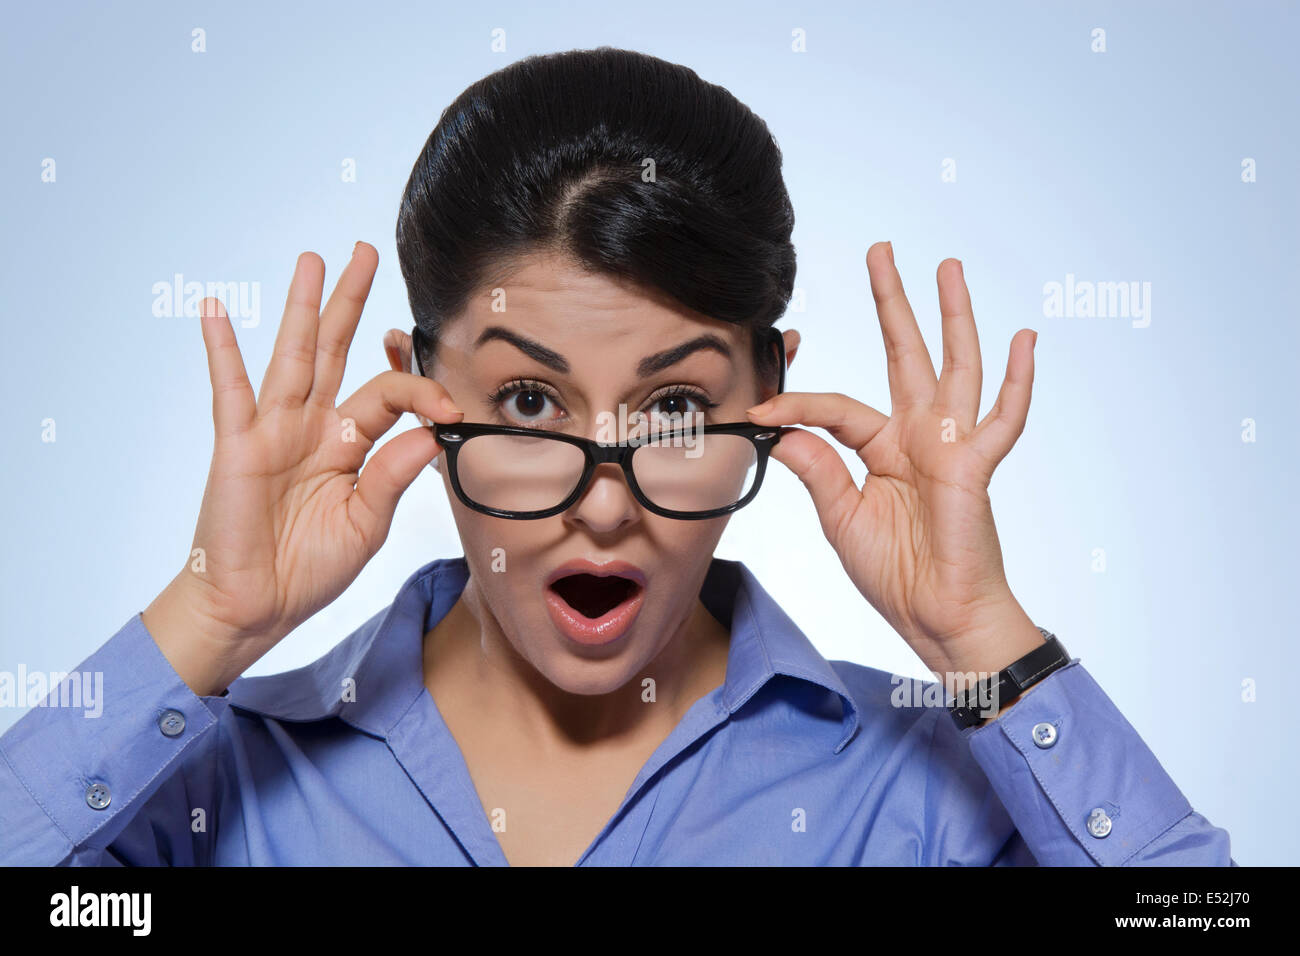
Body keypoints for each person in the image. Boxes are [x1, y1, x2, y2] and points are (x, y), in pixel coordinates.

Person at [0, 47, 1233, 866]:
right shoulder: (224, 793)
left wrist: (983, 639)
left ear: (772, 397)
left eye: (675, 408)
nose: (602, 506)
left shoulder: (918, 795)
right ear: (423, 401)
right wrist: (206, 615)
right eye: (529, 399)